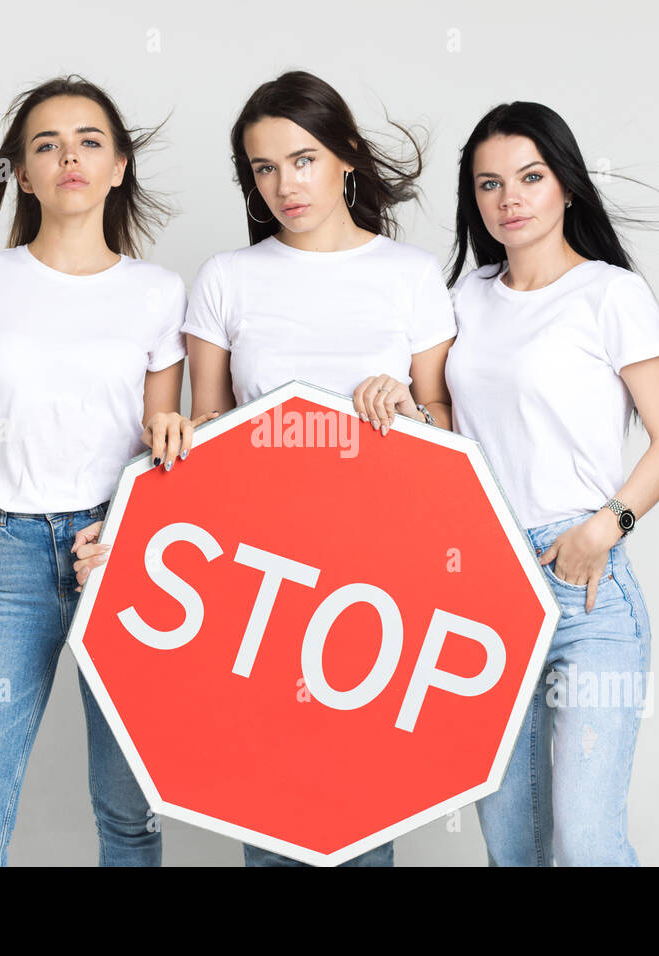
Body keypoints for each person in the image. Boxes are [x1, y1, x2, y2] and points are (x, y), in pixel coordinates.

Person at [181, 70, 457, 867]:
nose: (284, 185)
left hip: (375, 579)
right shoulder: (227, 277)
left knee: (358, 817)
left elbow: (451, 432)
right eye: (263, 168)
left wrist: (408, 409)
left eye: (301, 159)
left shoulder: (407, 276)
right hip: (259, 577)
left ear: (346, 157)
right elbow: (204, 430)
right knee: (269, 814)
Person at [0, 75, 201, 866]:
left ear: (119, 167)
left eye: (89, 142)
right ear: (22, 171)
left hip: (117, 560)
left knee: (129, 815)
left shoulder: (157, 294)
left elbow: (162, 457)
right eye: (46, 145)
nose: (68, 157)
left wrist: (127, 531)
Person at [444, 102, 659, 865]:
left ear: (567, 187)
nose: (508, 199)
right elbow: (443, 431)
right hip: (483, 587)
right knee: (514, 848)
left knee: (583, 843)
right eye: (489, 184)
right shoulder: (460, 298)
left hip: (584, 585)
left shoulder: (608, 294)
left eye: (530, 177)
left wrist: (601, 530)